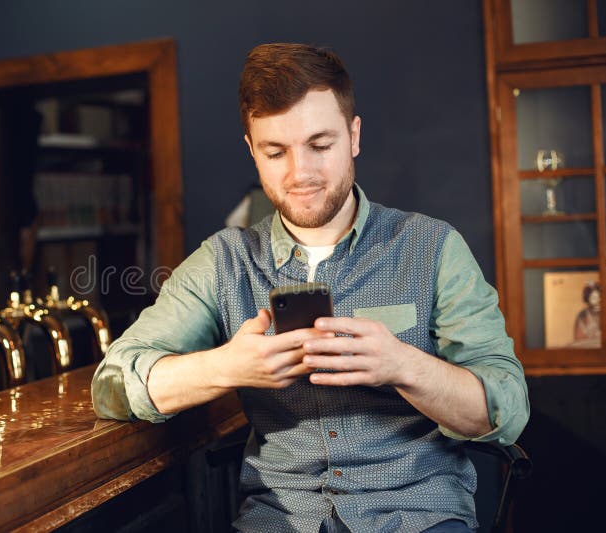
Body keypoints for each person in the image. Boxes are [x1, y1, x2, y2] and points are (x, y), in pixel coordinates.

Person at [92, 43, 529, 533]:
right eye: (276, 152)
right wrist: (226, 366)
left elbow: (507, 407)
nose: (300, 173)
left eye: (320, 145)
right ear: (252, 151)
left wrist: (402, 365)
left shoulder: (433, 248)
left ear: (354, 136)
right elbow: (112, 384)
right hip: (278, 521)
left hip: (418, 518)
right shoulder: (223, 261)